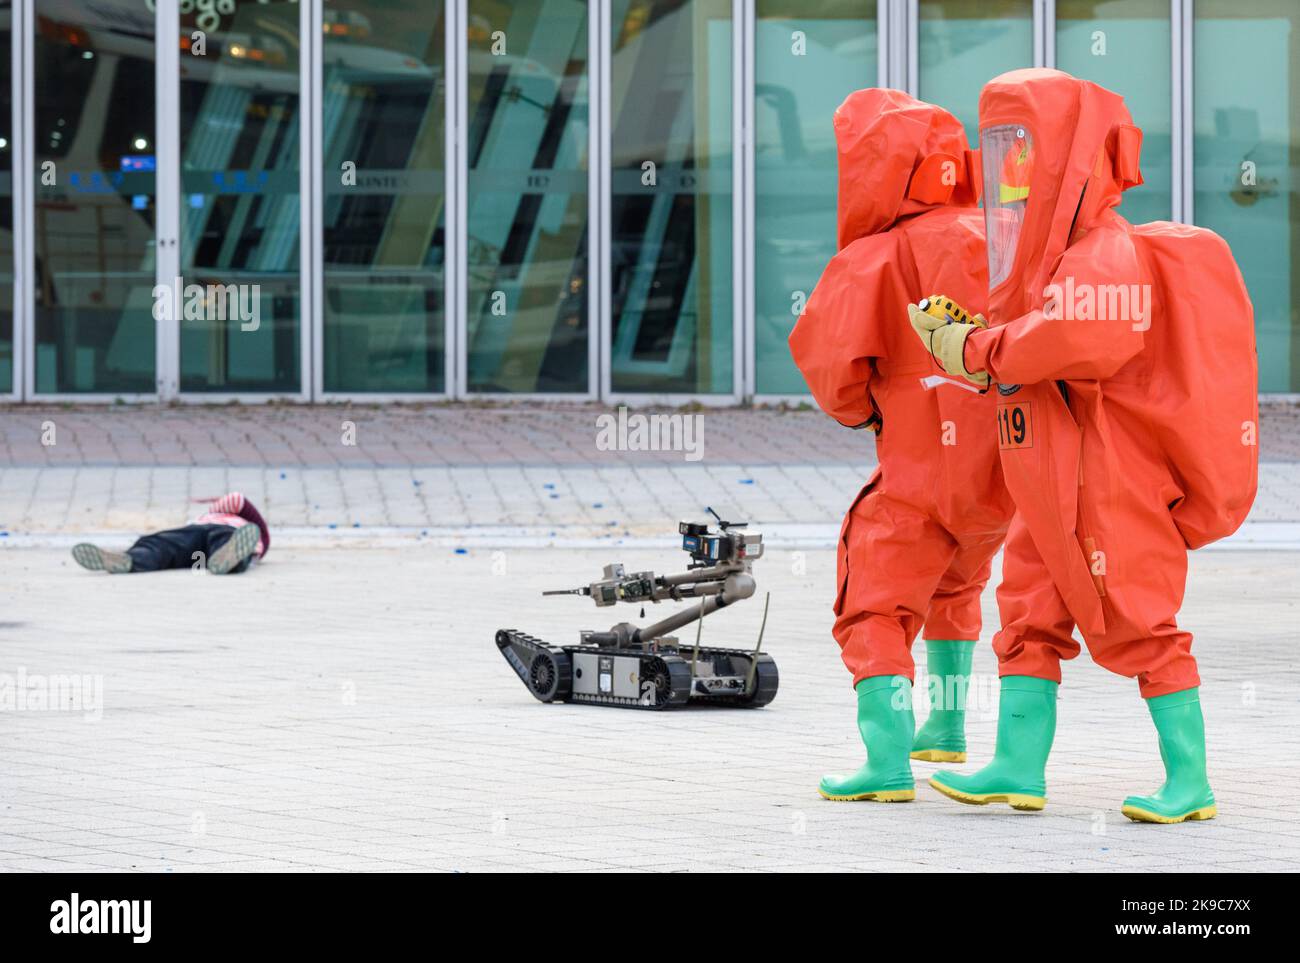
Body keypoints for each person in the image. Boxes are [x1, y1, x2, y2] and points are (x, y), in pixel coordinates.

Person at [909, 68, 1257, 823]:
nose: (1011, 177)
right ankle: (1017, 765)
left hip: (1105, 480)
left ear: (1066, 160)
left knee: (1139, 618)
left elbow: (1079, 337)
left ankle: (1190, 780)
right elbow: (1028, 344)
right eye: (1002, 153)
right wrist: (970, 341)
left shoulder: (1104, 250)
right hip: (1045, 474)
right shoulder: (1042, 261)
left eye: (1024, 153)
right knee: (1028, 611)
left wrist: (979, 347)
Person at [789, 88, 1014, 802]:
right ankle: (946, 726)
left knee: (874, 597)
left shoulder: (874, 257)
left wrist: (870, 412)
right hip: (1003, 469)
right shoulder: (1000, 234)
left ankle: (886, 758)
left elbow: (834, 374)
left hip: (919, 462)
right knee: (958, 582)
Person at [71, 492, 270, 576]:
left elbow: (236, 498)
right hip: (203, 554)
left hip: (210, 531)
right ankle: (126, 560)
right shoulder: (252, 540)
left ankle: (134, 559)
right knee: (161, 545)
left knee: (161, 546)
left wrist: (212, 505)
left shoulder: (234, 521)